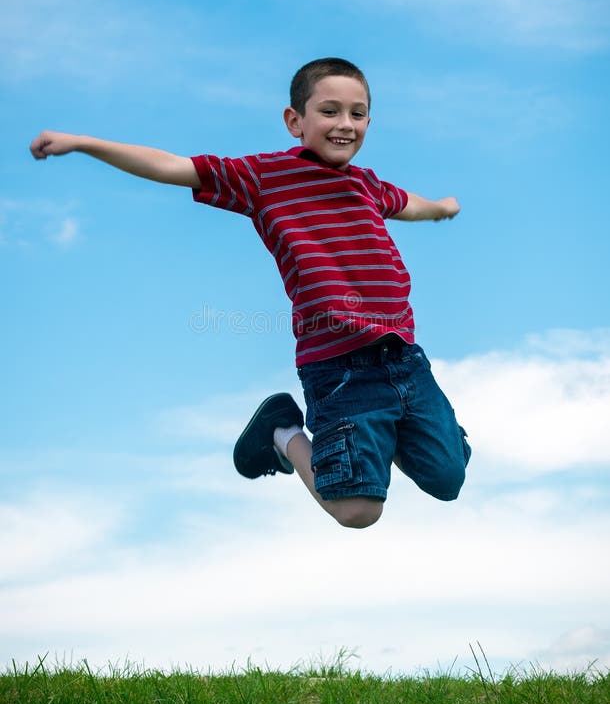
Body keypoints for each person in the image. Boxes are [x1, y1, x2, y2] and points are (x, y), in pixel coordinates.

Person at [30, 57, 470, 530]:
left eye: (358, 114)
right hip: (340, 368)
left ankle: (392, 433)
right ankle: (281, 432)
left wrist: (441, 208)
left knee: (448, 481)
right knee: (357, 511)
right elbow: (172, 166)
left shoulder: (368, 185)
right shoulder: (265, 178)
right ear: (294, 121)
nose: (345, 124)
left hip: (404, 360)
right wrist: (83, 143)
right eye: (330, 111)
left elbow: (409, 205)